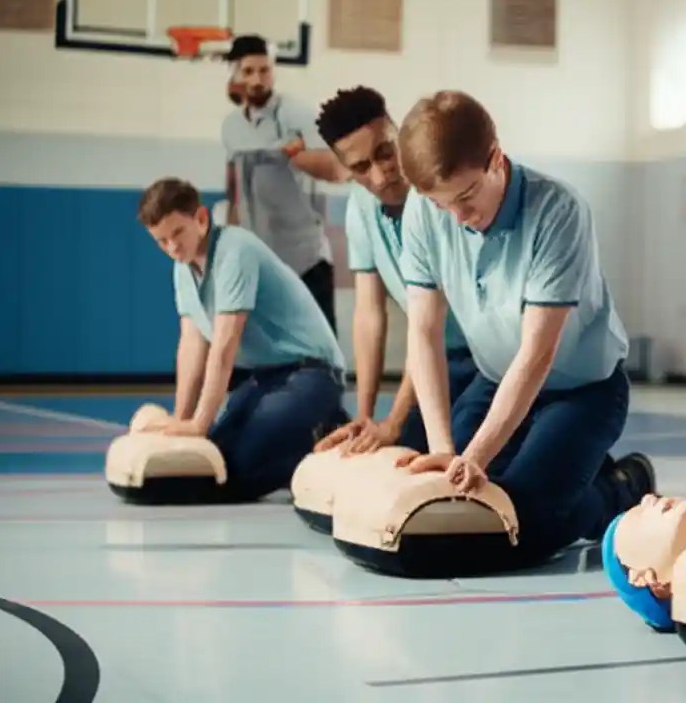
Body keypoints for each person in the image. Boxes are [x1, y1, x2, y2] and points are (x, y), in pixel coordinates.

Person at [393, 90, 656, 566]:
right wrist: (443, 450)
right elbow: (423, 333)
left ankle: (620, 486)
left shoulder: (558, 212)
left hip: (582, 392)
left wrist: (473, 457)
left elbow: (537, 355)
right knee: (461, 506)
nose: (458, 217)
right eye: (440, 204)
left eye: (468, 196)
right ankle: (573, 467)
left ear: (496, 158)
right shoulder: (421, 209)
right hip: (494, 383)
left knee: (522, 526)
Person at [136, 178, 349, 501]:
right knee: (213, 457)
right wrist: (182, 422)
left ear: (202, 219)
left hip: (312, 373)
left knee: (232, 473)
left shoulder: (235, 251)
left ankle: (323, 434)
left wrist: (200, 423)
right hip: (263, 377)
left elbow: (224, 345)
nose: (172, 248)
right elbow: (192, 346)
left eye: (178, 233)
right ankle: (307, 431)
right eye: (161, 241)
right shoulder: (183, 268)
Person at [310, 86, 477, 456]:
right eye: (360, 167)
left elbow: (428, 326)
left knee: (462, 457)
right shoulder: (360, 208)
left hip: (482, 356)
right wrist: (366, 416)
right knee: (393, 448)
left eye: (385, 151)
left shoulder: (439, 196)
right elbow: (369, 314)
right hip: (435, 363)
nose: (380, 173)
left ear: (396, 131)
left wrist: (395, 421)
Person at [221, 34, 346, 333]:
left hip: (306, 262)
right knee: (263, 358)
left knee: (319, 358)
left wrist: (297, 155)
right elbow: (234, 188)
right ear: (235, 75)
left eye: (264, 70)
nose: (258, 79)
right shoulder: (231, 126)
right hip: (258, 261)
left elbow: (335, 169)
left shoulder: (295, 113)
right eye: (248, 71)